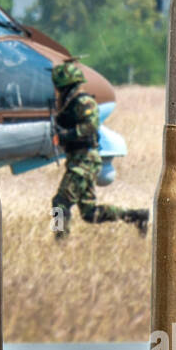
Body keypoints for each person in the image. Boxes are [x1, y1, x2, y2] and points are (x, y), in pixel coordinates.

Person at [50, 61, 148, 239]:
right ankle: (136, 216)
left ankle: (60, 241)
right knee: (90, 213)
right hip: (80, 159)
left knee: (60, 202)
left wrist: (65, 135)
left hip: (84, 160)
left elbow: (90, 127)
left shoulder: (84, 102)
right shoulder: (69, 103)